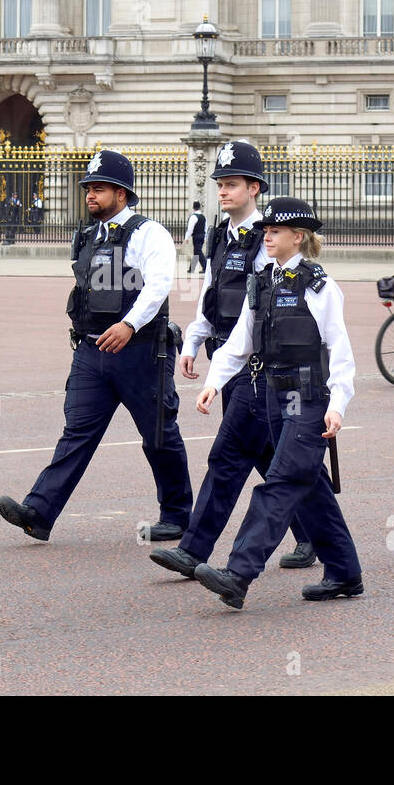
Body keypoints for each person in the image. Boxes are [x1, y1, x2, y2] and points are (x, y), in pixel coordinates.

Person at [0, 149, 192, 543]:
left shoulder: (147, 232)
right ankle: (39, 512)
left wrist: (129, 324)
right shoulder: (86, 235)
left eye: (99, 189)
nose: (90, 195)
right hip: (91, 351)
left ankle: (177, 515)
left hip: (140, 351)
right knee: (76, 432)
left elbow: (157, 286)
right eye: (88, 188)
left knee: (158, 433)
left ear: (122, 194)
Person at [151, 141, 316, 581]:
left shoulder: (270, 236)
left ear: (255, 188)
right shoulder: (220, 233)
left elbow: (267, 304)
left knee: (227, 457)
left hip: (256, 361)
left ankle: (193, 549)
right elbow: (212, 291)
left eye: (231, 184)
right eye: (220, 184)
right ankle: (313, 531)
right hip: (225, 353)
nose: (222, 192)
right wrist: (193, 341)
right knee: (266, 453)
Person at [191, 197, 363, 610]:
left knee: (282, 482)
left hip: (309, 398)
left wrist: (337, 404)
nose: (266, 235)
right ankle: (344, 573)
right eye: (265, 229)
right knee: (311, 488)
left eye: (275, 231)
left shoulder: (319, 285)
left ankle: (238, 573)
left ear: (297, 237)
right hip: (273, 393)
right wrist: (215, 381)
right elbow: (240, 341)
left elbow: (339, 348)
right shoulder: (263, 281)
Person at [185, 202, 207, 274]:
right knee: (196, 252)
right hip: (202, 236)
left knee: (198, 252)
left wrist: (186, 237)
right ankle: (192, 268)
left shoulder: (193, 217)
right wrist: (205, 237)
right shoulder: (203, 217)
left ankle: (206, 267)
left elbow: (190, 229)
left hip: (196, 236)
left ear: (193, 207)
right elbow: (205, 228)